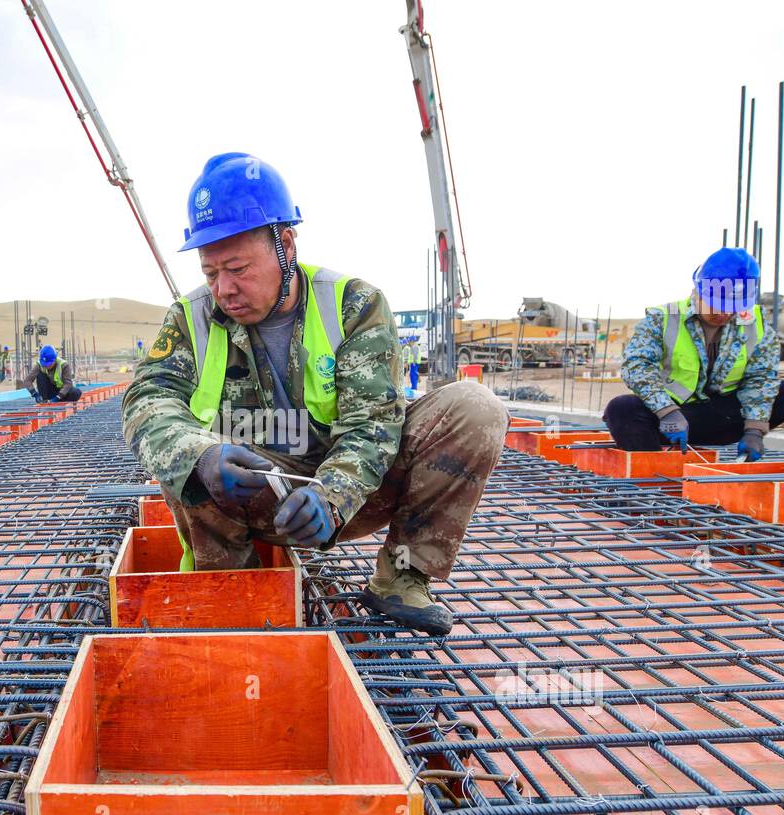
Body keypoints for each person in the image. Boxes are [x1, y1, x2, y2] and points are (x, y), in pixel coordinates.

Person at [123, 152, 508, 638]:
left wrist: (333, 496)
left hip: (350, 493)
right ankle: (230, 586)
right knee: (181, 453)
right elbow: (147, 401)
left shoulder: (352, 305)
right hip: (251, 490)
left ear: (285, 244)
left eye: (238, 268)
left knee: (475, 408)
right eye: (210, 272)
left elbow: (373, 424)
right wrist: (200, 457)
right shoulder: (189, 318)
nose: (224, 288)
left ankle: (403, 577)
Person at [605, 247, 784, 469]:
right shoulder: (662, 319)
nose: (722, 314)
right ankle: (658, 484)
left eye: (730, 308)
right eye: (715, 304)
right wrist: (666, 410)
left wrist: (754, 429)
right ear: (698, 290)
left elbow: (761, 379)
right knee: (622, 409)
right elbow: (636, 367)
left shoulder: (755, 323)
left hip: (734, 415)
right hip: (677, 420)